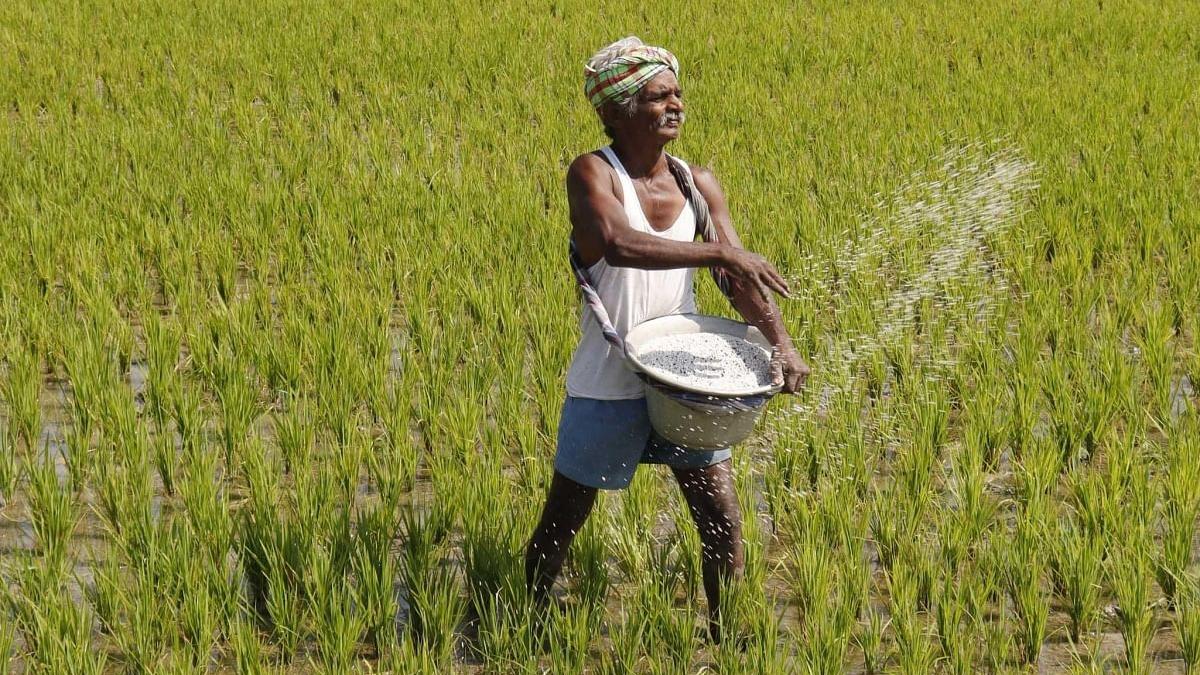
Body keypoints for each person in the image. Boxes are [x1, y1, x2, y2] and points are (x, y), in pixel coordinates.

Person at [523, 36, 809, 642]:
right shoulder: (592, 172)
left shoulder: (697, 182)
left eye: (677, 92)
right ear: (616, 110)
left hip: (684, 379)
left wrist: (781, 343)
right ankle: (522, 628)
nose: (675, 104)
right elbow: (618, 244)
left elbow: (735, 279)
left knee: (722, 523)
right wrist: (719, 249)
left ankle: (729, 644)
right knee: (562, 524)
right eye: (658, 97)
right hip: (609, 381)